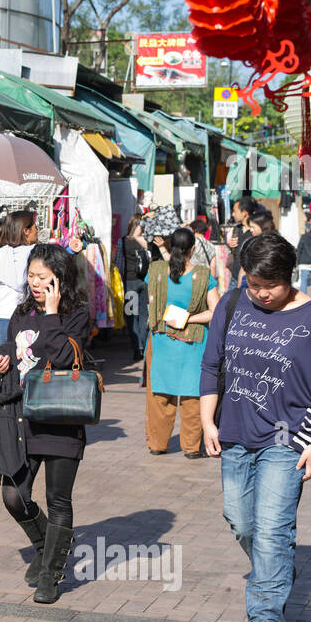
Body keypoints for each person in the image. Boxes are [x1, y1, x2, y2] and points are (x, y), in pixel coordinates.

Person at [200, 232, 311, 622]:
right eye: (254, 284)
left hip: (287, 441)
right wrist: (208, 421)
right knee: (241, 522)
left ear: (289, 277)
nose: (261, 293)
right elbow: (212, 366)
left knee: (271, 530)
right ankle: (277, 566)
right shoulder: (231, 304)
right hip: (234, 436)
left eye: (270, 286)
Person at [0, 244, 92, 603]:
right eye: (31, 276)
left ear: (60, 279)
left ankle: (51, 573)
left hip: (62, 417)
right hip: (23, 417)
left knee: (57, 498)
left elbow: (64, 357)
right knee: (13, 495)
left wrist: (51, 314)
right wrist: (1, 360)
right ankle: (46, 545)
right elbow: (17, 353)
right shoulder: (21, 312)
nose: (34, 284)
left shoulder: (77, 314)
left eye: (42, 278)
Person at [146, 228, 220, 458]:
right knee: (192, 396)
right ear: (193, 249)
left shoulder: (156, 271)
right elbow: (215, 312)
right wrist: (190, 318)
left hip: (161, 341)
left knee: (159, 395)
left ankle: (158, 444)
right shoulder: (203, 276)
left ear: (171, 246)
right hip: (193, 343)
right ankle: (190, 447)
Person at [0, 209, 37, 350]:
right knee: (30, 370)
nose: (37, 231)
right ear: (26, 231)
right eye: (35, 227)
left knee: (0, 370)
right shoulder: (37, 253)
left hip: (2, 324)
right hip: (30, 323)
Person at [118, 214, 150, 361]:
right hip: (145, 282)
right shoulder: (145, 242)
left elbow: (119, 263)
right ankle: (144, 345)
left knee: (131, 316)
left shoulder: (123, 241)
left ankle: (137, 348)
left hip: (129, 283)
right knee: (144, 316)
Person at [225, 194, 255, 286]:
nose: (233, 214)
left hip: (249, 280)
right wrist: (230, 245)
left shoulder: (255, 232)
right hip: (234, 277)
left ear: (244, 213)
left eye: (235, 211)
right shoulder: (237, 228)